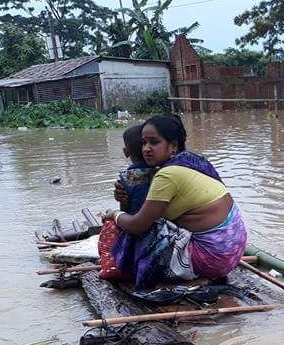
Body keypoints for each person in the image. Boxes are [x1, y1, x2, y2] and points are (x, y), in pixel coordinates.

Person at [104, 114, 247, 287]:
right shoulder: (192, 161)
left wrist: (114, 214)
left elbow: (138, 224)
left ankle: (126, 272)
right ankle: (194, 272)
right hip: (231, 252)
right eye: (143, 143)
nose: (146, 149)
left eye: (154, 142)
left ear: (173, 146)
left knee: (116, 226)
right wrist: (125, 201)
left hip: (211, 257)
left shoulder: (167, 175)